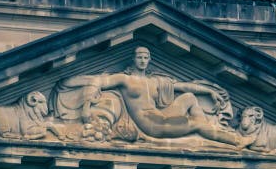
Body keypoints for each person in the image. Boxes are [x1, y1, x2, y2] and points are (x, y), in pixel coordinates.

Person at [58, 47, 247, 147]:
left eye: (145, 57)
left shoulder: (155, 81)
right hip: (151, 124)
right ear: (134, 59)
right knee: (197, 124)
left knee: (189, 97)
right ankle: (236, 141)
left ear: (149, 60)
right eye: (139, 57)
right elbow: (99, 81)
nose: (142, 60)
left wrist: (208, 91)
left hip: (161, 115)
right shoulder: (125, 79)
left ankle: (209, 130)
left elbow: (181, 86)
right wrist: (85, 107)